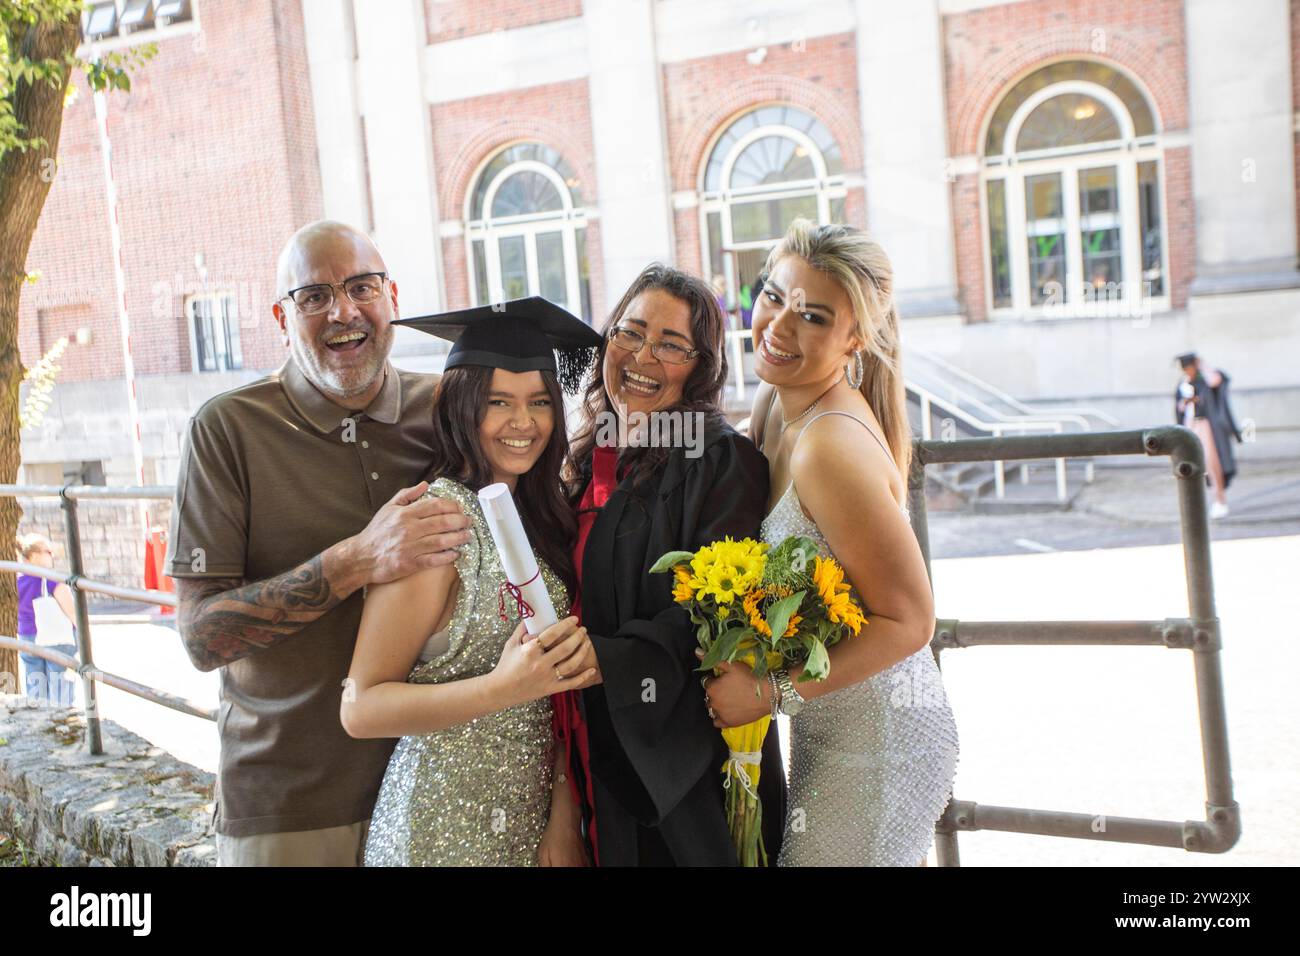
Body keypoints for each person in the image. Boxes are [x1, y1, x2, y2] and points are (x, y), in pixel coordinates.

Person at [166, 220, 473, 867]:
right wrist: (355, 561)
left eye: (362, 286)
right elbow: (199, 637)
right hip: (287, 811)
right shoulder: (227, 429)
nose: (344, 311)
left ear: (392, 296)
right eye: (315, 296)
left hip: (437, 793)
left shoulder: (446, 409)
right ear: (282, 315)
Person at [709, 219, 959, 866]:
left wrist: (768, 694)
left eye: (813, 316)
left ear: (856, 340)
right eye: (773, 296)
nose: (779, 326)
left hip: (879, 738)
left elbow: (910, 619)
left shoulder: (828, 447)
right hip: (826, 724)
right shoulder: (774, 400)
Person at [341, 298, 603, 866]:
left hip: (532, 822)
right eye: (498, 403)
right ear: (462, 407)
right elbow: (360, 707)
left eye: (539, 402)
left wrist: (562, 817)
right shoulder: (437, 525)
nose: (523, 423)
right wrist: (501, 690)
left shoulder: (547, 513)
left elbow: (552, 698)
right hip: (436, 830)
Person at [557, 264, 786, 866]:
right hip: (586, 728)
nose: (642, 357)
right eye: (630, 333)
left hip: (676, 757)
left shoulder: (719, 460)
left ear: (701, 367)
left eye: (671, 345)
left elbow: (710, 614)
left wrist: (603, 659)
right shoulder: (590, 452)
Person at [1175, 351, 1242, 519]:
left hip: (1205, 424)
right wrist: (1185, 403)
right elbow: (1179, 406)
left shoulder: (1204, 379)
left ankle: (1220, 499)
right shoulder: (1183, 383)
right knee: (1190, 465)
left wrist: (1202, 365)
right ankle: (1194, 504)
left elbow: (1215, 381)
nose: (1187, 370)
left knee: (1212, 462)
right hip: (1189, 426)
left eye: (1190, 366)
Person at [15, 533, 78, 707]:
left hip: (27, 636)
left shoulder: (16, 580)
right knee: (60, 687)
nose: (52, 555)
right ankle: (60, 726)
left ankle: (40, 725)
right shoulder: (52, 580)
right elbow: (72, 612)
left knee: (35, 687)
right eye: (48, 551)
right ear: (34, 556)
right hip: (55, 637)